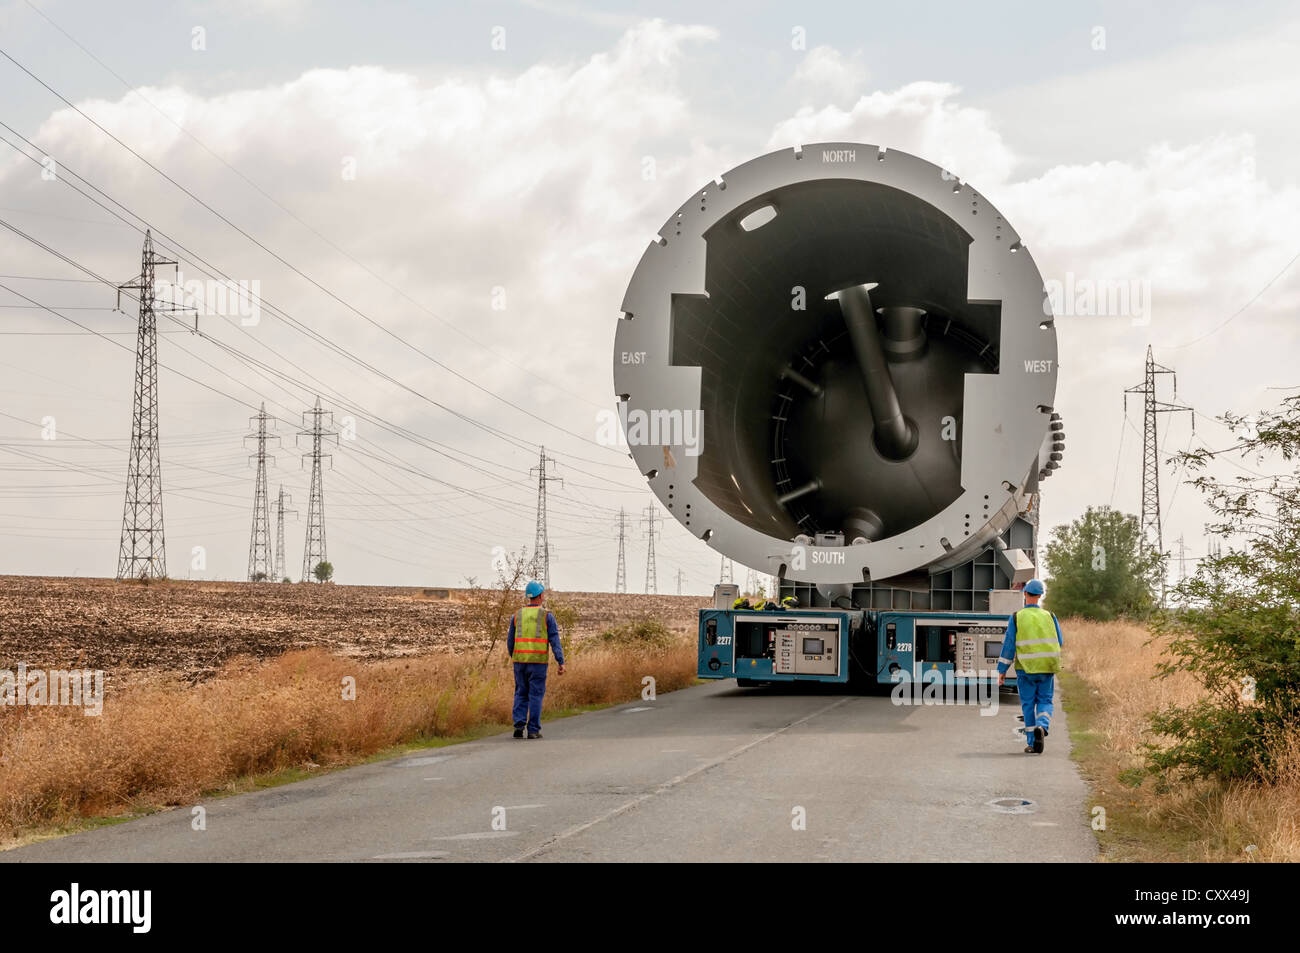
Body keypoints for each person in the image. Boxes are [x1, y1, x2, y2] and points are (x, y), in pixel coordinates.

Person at [995, 578, 1062, 754]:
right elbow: (1059, 641)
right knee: (1045, 701)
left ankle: (1032, 742)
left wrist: (1001, 672)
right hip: (1047, 667)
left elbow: (1009, 647)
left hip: (1026, 669)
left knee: (1028, 704)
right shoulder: (1050, 616)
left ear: (1025, 594)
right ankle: (1043, 726)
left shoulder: (1017, 617)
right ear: (1040, 596)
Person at [506, 580, 565, 739]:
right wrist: (560, 661)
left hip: (519, 662)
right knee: (535, 695)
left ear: (529, 597)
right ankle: (533, 730)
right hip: (538, 663)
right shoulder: (547, 616)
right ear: (541, 596)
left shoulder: (516, 616)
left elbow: (510, 641)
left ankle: (518, 727)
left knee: (520, 693)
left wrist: (515, 656)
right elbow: (555, 641)